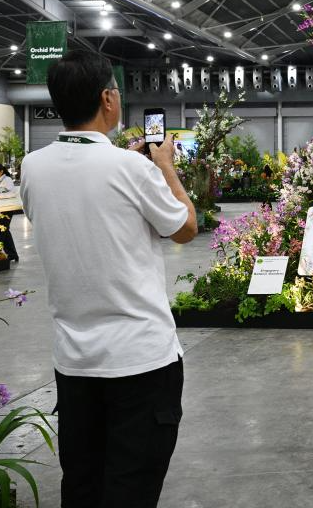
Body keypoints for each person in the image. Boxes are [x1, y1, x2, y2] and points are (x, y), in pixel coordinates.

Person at [20, 51, 198, 508]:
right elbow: (185, 228)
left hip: (75, 365)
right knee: (130, 490)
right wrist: (165, 167)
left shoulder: (31, 167)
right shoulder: (132, 168)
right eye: (117, 91)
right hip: (140, 363)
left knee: (81, 486)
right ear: (107, 99)